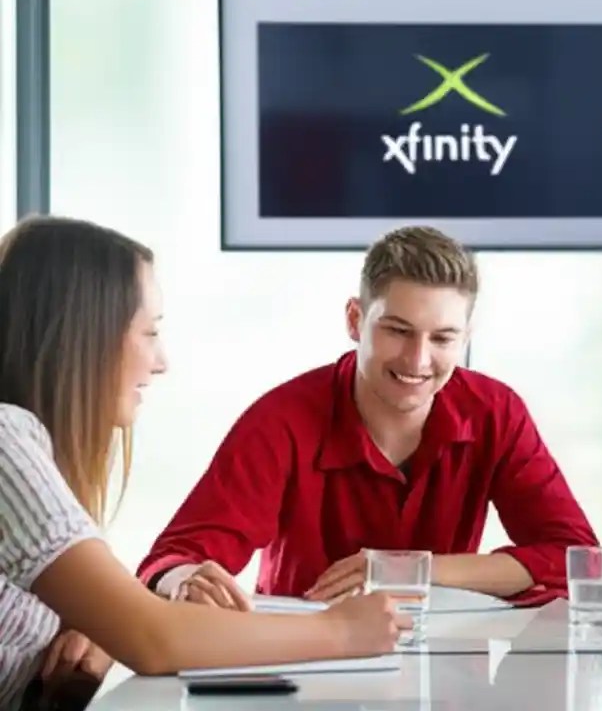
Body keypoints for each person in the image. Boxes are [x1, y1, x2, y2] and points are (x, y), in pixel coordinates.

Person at [0, 217, 402, 711]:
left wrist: (94, 640)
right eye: (148, 332)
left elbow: (131, 626)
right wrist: (339, 630)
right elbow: (152, 637)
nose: (160, 361)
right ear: (81, 336)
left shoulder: (32, 446)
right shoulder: (5, 440)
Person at [137, 225, 598, 609]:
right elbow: (172, 560)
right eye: (398, 331)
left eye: (442, 338)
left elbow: (579, 560)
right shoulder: (282, 418)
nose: (418, 360)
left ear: (466, 337)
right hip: (301, 667)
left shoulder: (496, 412)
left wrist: (409, 570)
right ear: (356, 320)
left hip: (446, 667)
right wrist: (186, 583)